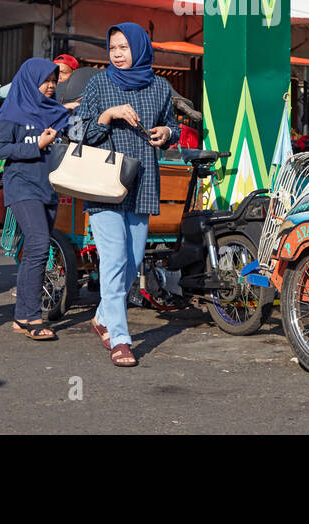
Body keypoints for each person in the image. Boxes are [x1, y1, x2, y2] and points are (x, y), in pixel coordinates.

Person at [73, 23, 179, 366]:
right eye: (113, 48)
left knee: (133, 263)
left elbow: (172, 126)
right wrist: (108, 114)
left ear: (140, 48)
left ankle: (102, 316)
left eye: (124, 47)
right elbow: (76, 131)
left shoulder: (160, 86)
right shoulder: (99, 83)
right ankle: (120, 339)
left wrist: (166, 132)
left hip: (144, 179)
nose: (118, 54)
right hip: (103, 182)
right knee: (115, 260)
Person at [0, 57, 71, 341]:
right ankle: (33, 318)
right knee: (38, 244)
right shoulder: (12, 112)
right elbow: (1, 149)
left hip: (49, 186)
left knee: (35, 250)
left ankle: (20, 316)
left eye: (53, 80)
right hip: (22, 185)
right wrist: (37, 145)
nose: (51, 86)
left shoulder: (56, 112)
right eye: (45, 81)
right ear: (29, 81)